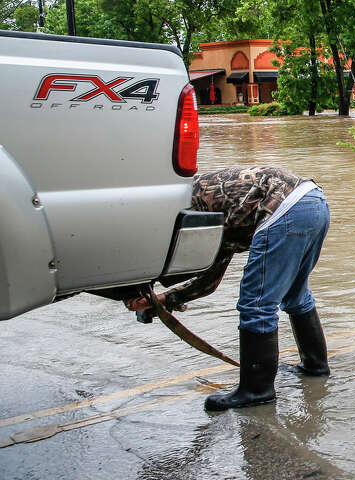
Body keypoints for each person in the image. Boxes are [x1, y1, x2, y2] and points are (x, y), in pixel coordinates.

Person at [125, 166, 331, 411]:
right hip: (313, 201)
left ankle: (256, 391)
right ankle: (314, 367)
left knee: (256, 304)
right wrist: (164, 299)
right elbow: (212, 273)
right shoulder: (186, 197)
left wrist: (162, 298)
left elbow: (206, 275)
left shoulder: (181, 210)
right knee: (295, 294)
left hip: (283, 208)